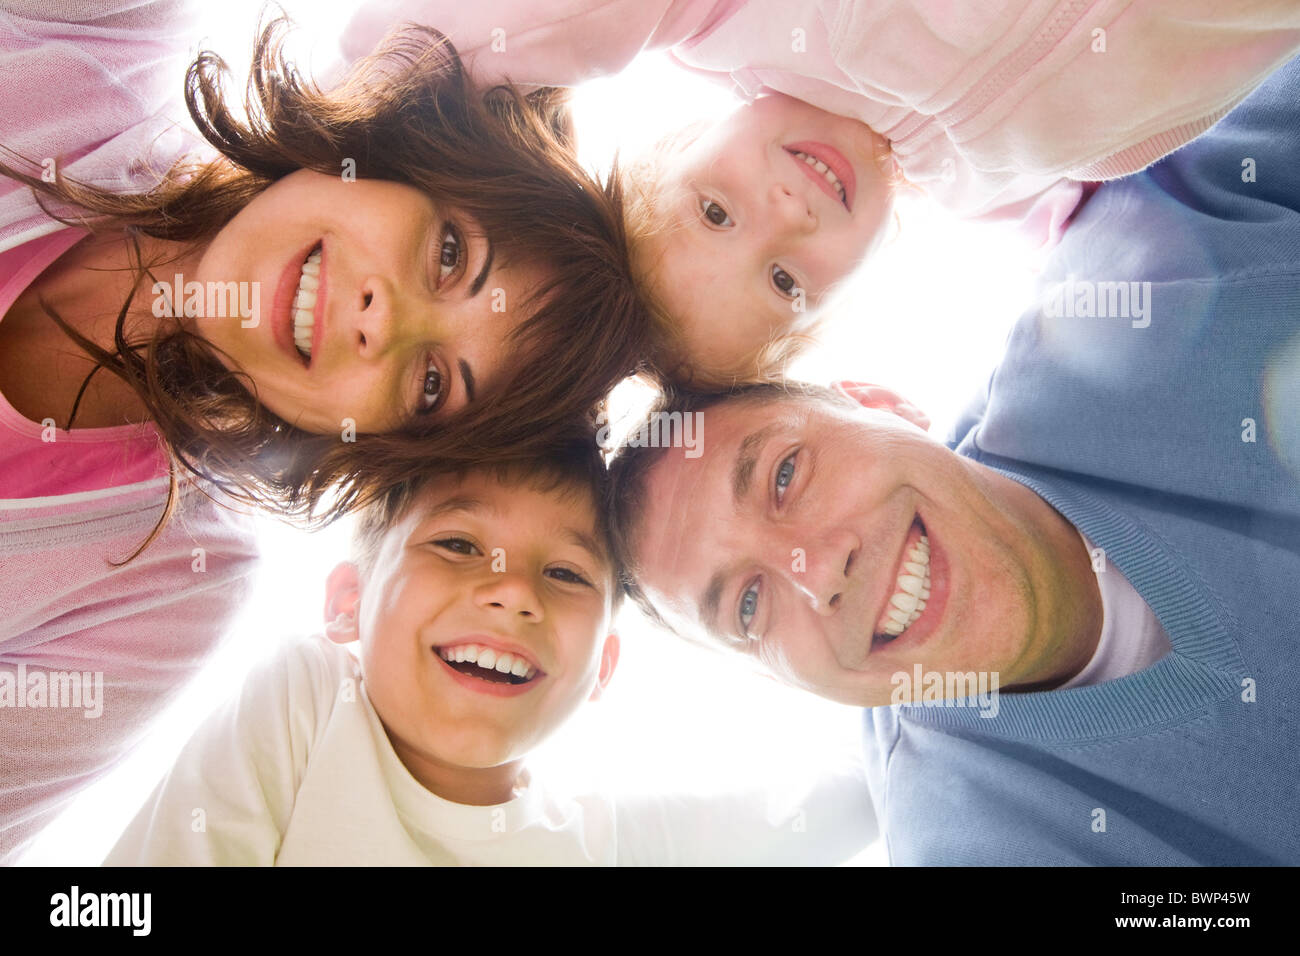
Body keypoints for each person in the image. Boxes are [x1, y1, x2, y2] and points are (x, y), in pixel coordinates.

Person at [602, 53, 1300, 864]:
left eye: (785, 475)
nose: (815, 572)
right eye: (750, 609)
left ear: (881, 401)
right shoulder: (984, 844)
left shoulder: (1146, 278)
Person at [0, 6, 646, 864]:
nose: (386, 321)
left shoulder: (170, 590)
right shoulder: (95, 34)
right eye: (450, 254)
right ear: (395, 157)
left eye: (429, 383)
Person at [336, 0, 1300, 384]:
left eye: (714, 210)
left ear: (681, 135)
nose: (785, 217)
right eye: (786, 282)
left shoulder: (731, 27)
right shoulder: (993, 200)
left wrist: (365, 113)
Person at [105, 434, 875, 865]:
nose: (513, 593)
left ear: (601, 668)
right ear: (348, 604)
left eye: (567, 573)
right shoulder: (308, 699)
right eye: (459, 543)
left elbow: (830, 809)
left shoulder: (600, 845)